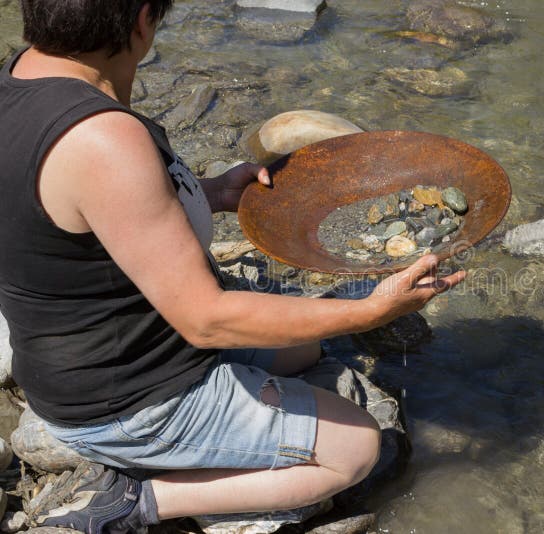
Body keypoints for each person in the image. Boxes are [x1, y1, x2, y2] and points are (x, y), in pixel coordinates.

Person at [0, 1, 465, 532]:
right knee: (356, 447)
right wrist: (370, 311)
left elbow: (87, 215)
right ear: (143, 19)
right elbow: (206, 318)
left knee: (304, 348)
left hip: (90, 354)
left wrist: (215, 192)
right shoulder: (102, 138)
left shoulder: (19, 78)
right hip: (127, 398)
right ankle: (136, 500)